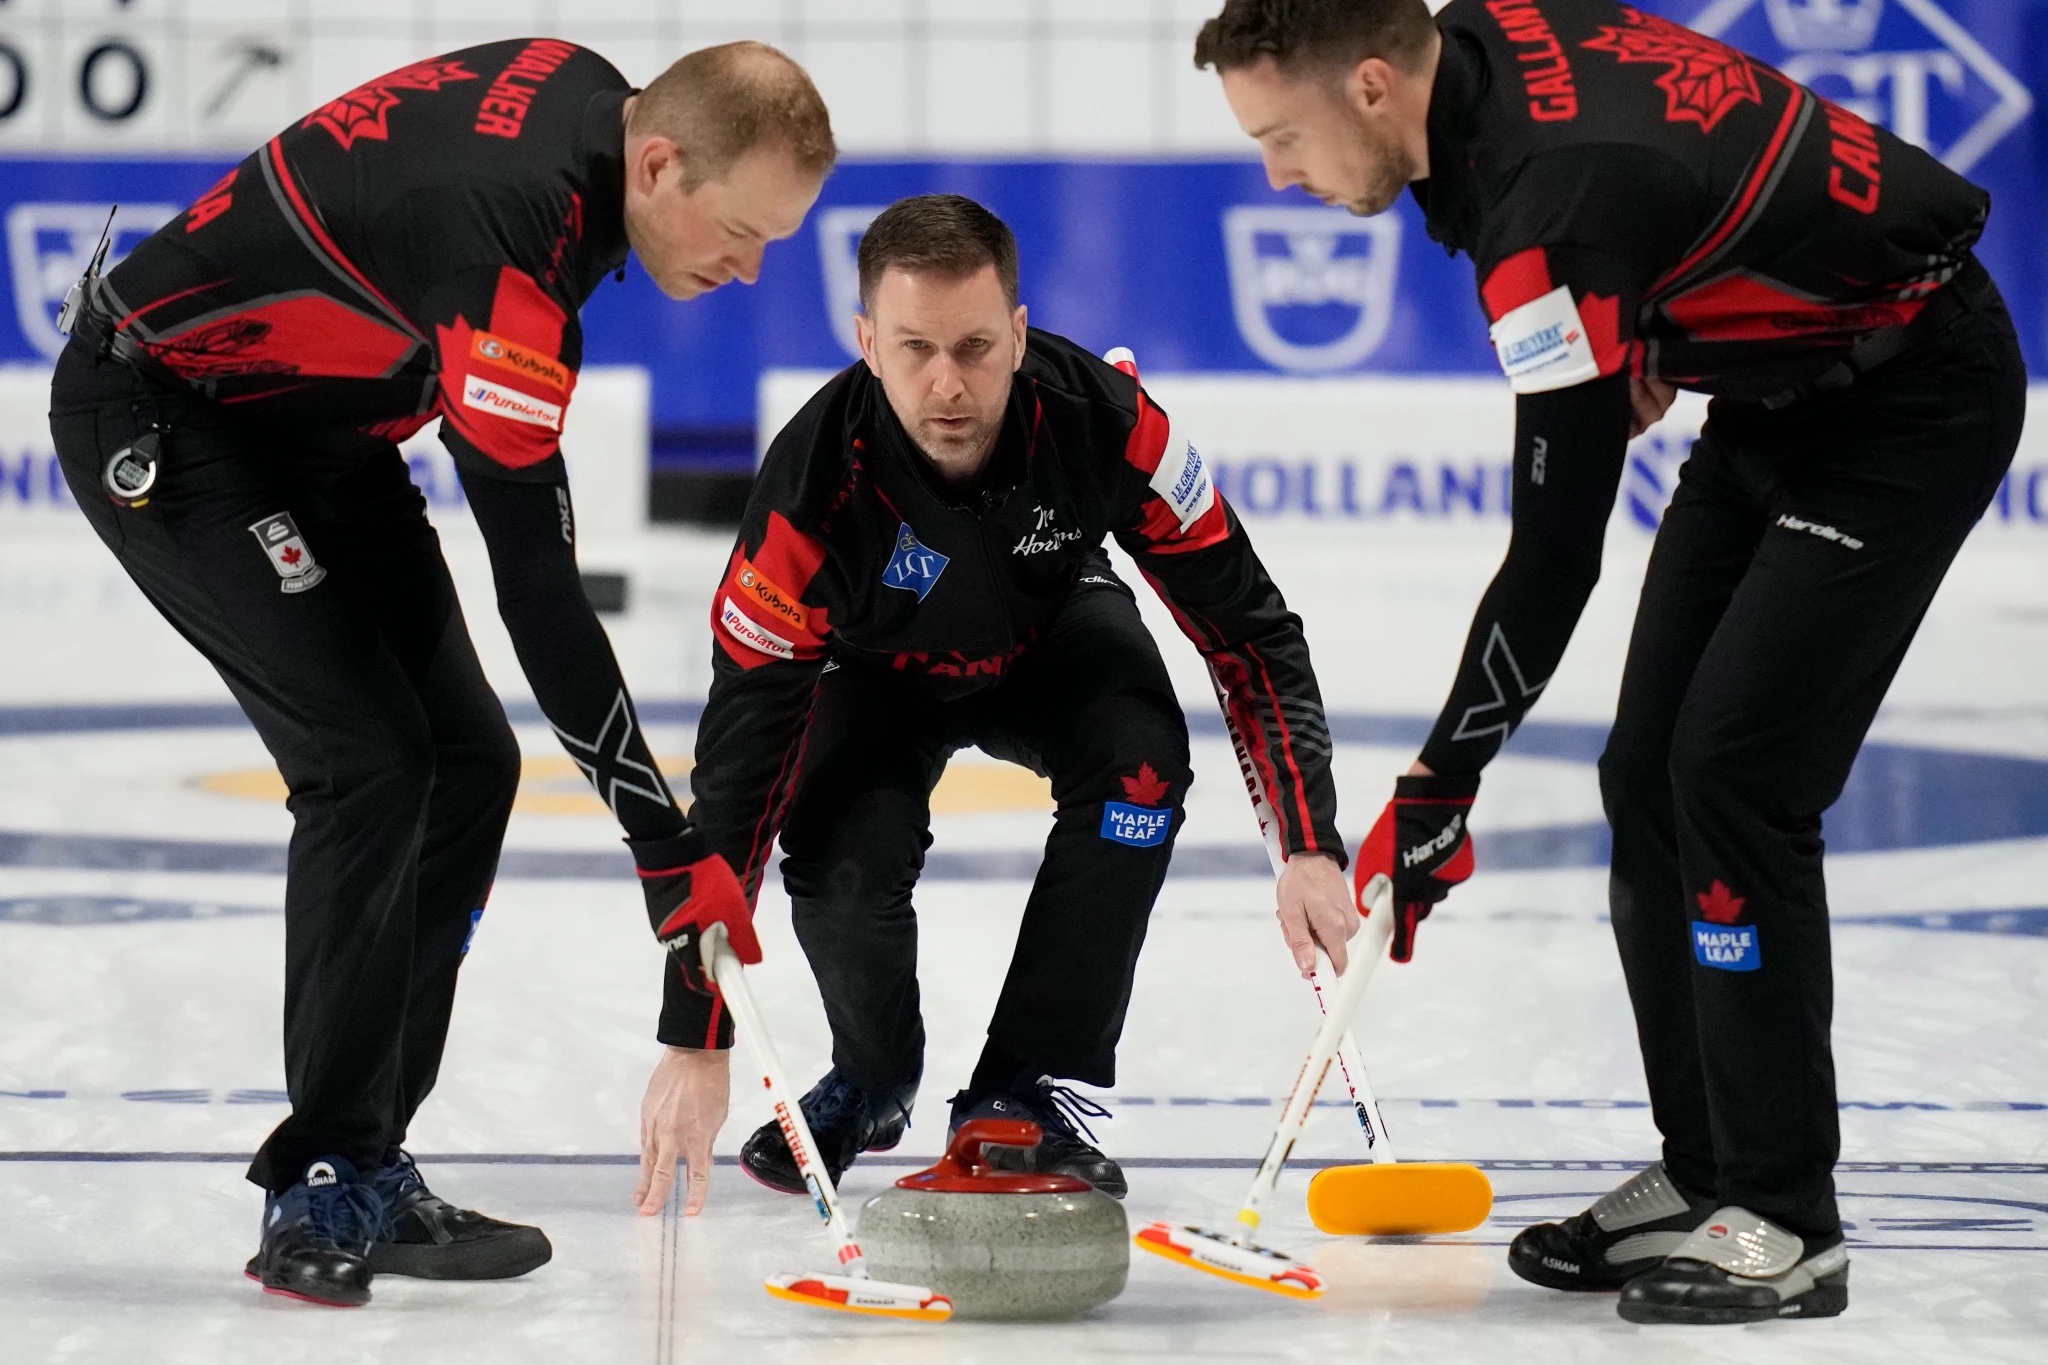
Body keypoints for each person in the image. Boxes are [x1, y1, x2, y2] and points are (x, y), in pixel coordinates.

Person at [1196, 0, 2023, 1326]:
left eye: (1280, 137)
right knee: (1645, 772)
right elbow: (1675, 165)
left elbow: (1554, 558)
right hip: (1769, 396)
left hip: (1911, 401)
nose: (1276, 177)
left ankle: (1788, 1218)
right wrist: (1643, 321)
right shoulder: (1478, 48)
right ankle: (1704, 1173)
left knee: (1735, 777)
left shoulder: (1552, 217)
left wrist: (1438, 787)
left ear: (1366, 85)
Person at [47, 39, 832, 1307]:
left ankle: (365, 1153)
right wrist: (664, 846)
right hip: (169, 418)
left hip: (322, 426)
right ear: (659, 159)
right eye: (741, 232)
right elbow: (537, 590)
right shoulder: (502, 256)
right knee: (367, 760)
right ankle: (315, 1178)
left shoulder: (586, 92)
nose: (749, 270)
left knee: (467, 762)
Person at [632, 192, 1358, 1211]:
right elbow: (740, 764)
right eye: (913, 348)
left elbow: (1246, 626)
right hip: (876, 671)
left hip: (1049, 632)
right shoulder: (806, 497)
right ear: (864, 344)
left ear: (1018, 335)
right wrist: (695, 1034)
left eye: (974, 347)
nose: (946, 385)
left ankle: (1017, 1092)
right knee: (838, 850)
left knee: (1140, 766)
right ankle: (872, 1080)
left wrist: (1305, 839)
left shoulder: (1111, 423)